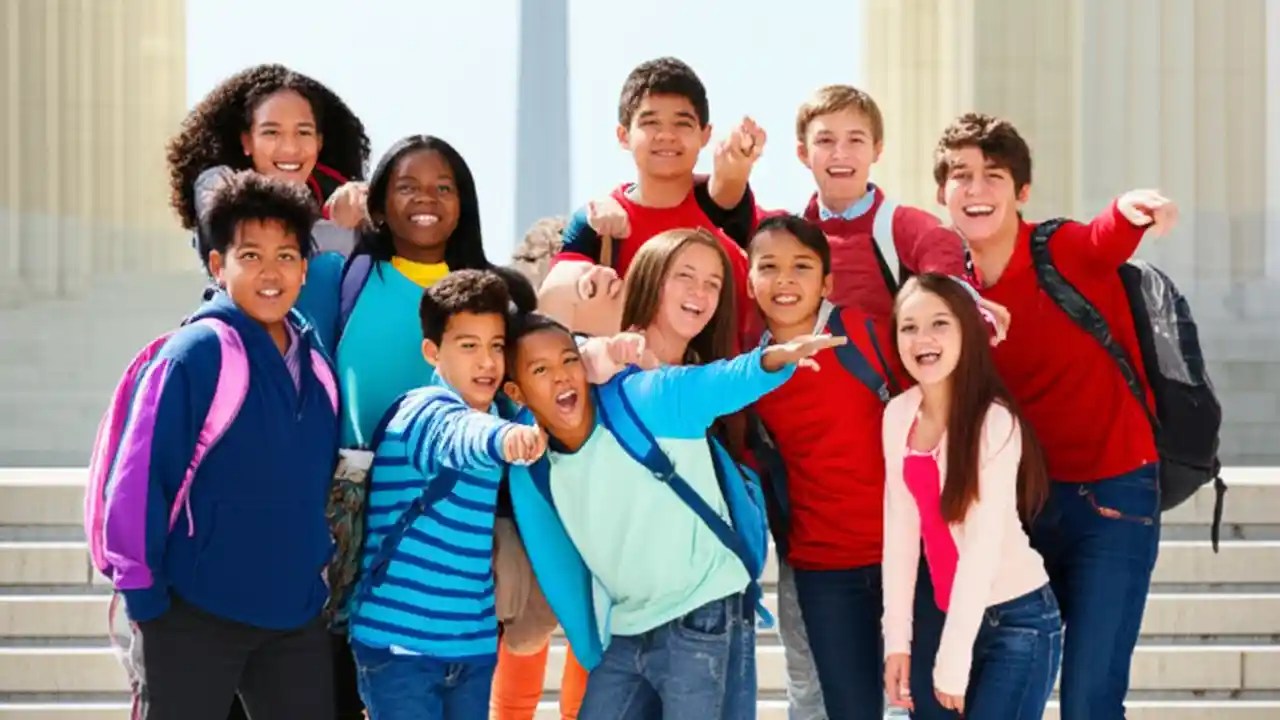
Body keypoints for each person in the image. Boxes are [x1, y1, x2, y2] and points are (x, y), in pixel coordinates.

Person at [932, 112, 1178, 720]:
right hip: (1022, 507)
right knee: (1007, 687)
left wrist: (1131, 209)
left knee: (1091, 698)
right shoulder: (948, 290)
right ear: (942, 193)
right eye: (961, 175)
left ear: (1022, 192)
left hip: (1113, 496)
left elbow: (1104, 237)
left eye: (994, 175)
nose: (976, 189)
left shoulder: (1060, 250)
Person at [502, 307, 842, 720]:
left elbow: (715, 383)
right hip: (627, 628)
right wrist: (592, 652)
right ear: (516, 392)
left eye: (569, 360)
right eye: (540, 370)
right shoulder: (531, 464)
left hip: (703, 609)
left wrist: (773, 359)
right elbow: (557, 566)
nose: (561, 377)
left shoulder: (643, 399)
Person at [108, 172, 339, 719]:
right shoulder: (194, 355)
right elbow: (139, 479)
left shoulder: (317, 365)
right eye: (250, 256)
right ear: (218, 265)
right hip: (193, 613)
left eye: (286, 256)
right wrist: (144, 597)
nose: (270, 273)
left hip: (294, 616)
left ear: (304, 269)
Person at [346, 269, 547, 719]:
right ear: (432, 352)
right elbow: (459, 435)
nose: (487, 362)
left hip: (472, 646)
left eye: (496, 346)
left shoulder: (499, 411)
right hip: (401, 648)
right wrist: (506, 439)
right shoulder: (422, 411)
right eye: (469, 346)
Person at [745, 214, 904, 719]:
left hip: (905, 555)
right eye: (768, 267)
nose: (785, 280)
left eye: (801, 266)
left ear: (827, 283)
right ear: (749, 281)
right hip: (822, 568)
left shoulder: (865, 335)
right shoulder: (749, 370)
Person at [881, 273, 1060, 719]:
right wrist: (898, 642)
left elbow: (982, 547)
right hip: (946, 616)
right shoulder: (898, 415)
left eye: (939, 323)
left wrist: (952, 663)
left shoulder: (994, 422)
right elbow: (900, 534)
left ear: (966, 331)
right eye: (909, 327)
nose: (923, 338)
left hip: (1016, 621)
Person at [537, 56, 762, 340]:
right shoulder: (598, 225)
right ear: (623, 135)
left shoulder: (733, 218)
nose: (666, 135)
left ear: (705, 135)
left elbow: (728, 191)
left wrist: (736, 167)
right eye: (651, 122)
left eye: (682, 123)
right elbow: (554, 307)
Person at [166, 63, 371, 353]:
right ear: (247, 141)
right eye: (271, 132)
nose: (290, 148)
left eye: (303, 133)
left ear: (319, 142)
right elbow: (234, 221)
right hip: (241, 347)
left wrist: (374, 207)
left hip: (322, 361)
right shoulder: (218, 184)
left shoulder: (344, 196)